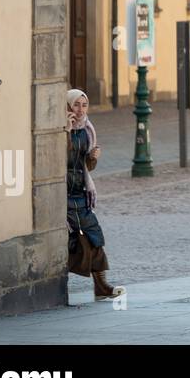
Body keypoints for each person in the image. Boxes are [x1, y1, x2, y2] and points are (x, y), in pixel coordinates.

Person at [65, 89, 124, 301]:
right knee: (71, 240)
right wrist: (67, 131)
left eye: (84, 105)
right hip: (62, 194)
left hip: (81, 191)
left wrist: (93, 157)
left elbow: (86, 166)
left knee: (94, 236)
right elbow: (62, 158)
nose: (80, 110)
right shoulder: (63, 129)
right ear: (68, 106)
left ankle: (101, 285)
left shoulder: (88, 129)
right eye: (76, 105)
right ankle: (58, 284)